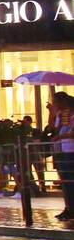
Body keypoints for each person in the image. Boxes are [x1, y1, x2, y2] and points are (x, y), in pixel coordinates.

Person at [49, 92, 74, 220]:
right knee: (65, 180)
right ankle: (68, 207)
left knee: (69, 180)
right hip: (61, 149)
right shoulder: (62, 114)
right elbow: (56, 128)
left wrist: (61, 136)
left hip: (70, 149)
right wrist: (51, 113)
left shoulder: (72, 114)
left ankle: (71, 208)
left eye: (56, 102)